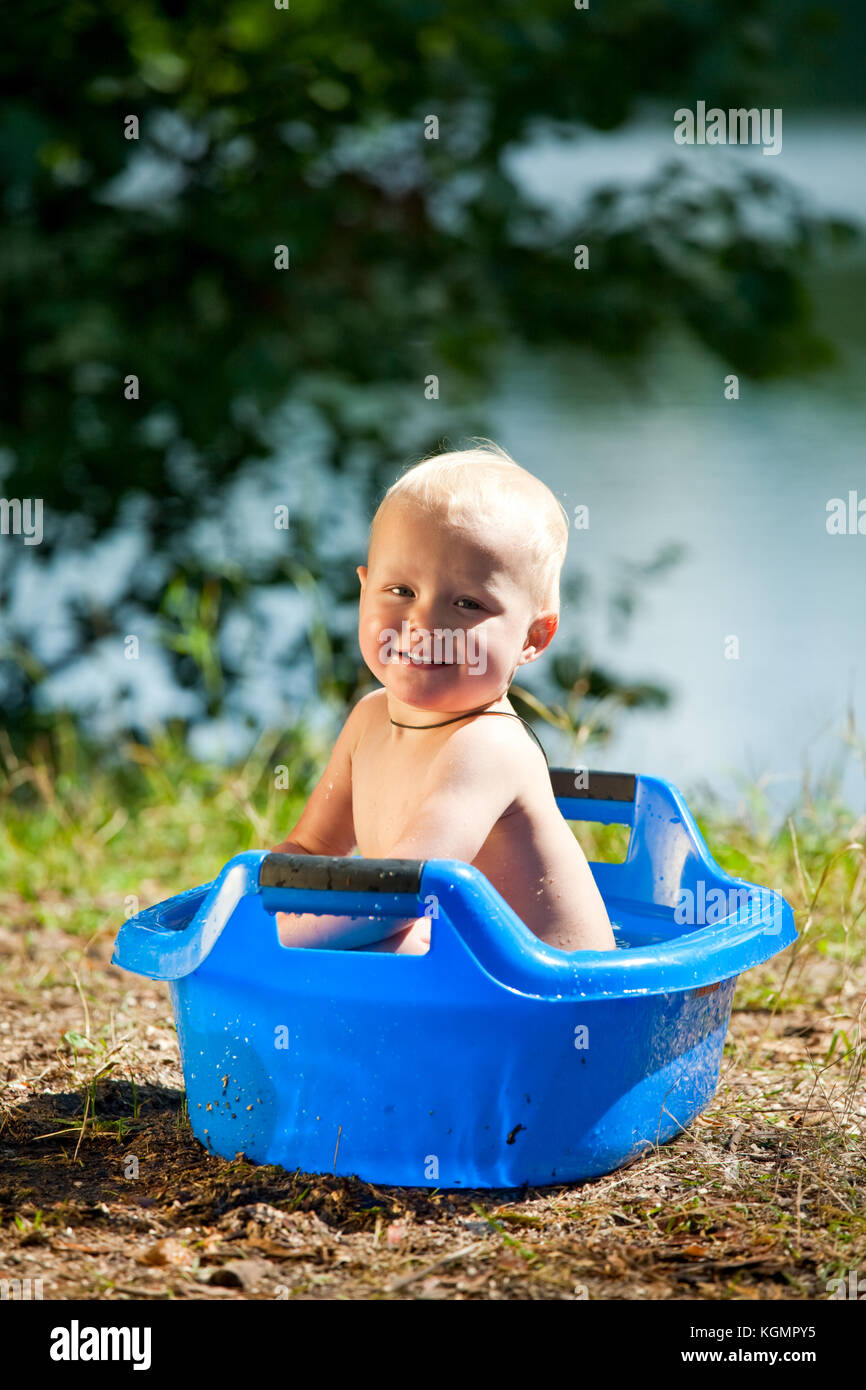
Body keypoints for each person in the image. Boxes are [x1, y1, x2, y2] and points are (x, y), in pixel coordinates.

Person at [272, 439, 615, 955]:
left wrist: (275, 935)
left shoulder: (488, 746)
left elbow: (399, 896)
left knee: (392, 937)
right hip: (466, 983)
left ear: (533, 637)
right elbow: (311, 849)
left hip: (552, 1003)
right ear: (365, 591)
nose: (426, 624)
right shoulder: (369, 719)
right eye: (401, 591)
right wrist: (261, 898)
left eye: (468, 603)